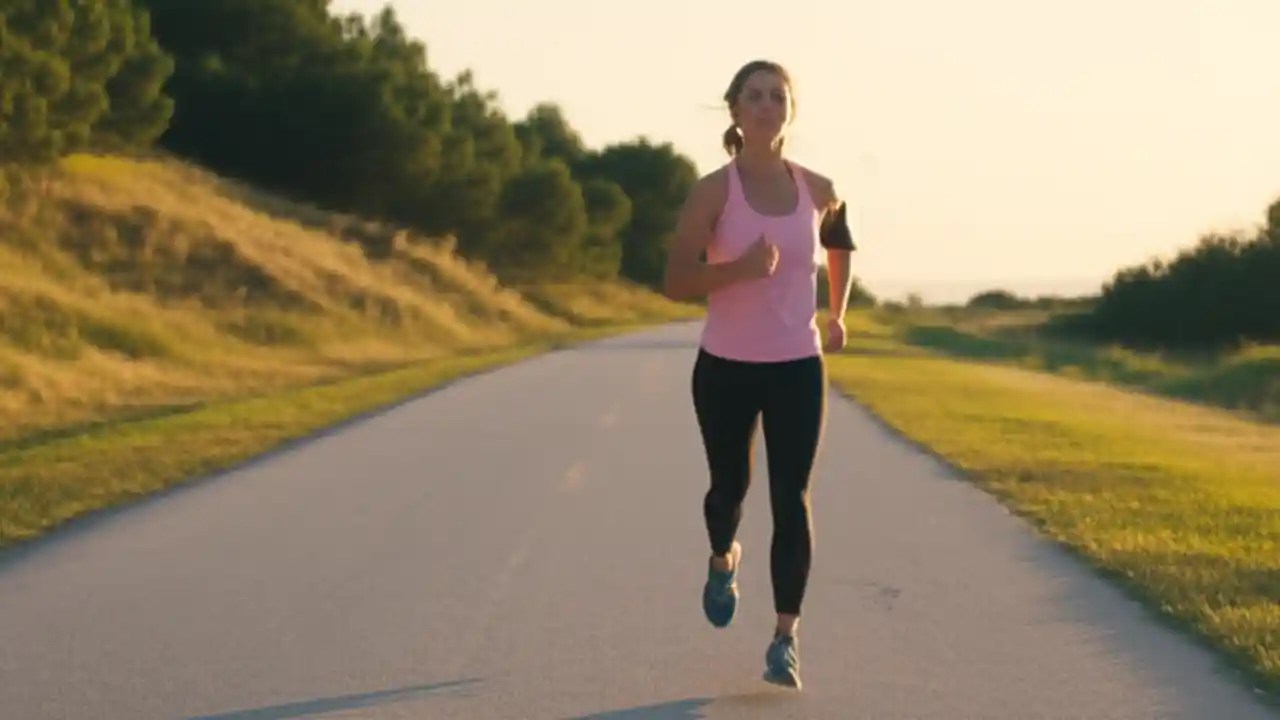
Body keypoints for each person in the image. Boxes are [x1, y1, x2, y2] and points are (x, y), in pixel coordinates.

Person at [662, 59, 857, 691]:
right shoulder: (713, 192)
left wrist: (837, 312)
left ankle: (784, 639)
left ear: (789, 111)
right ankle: (723, 558)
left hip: (798, 366)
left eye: (778, 96)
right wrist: (739, 269)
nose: (767, 105)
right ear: (736, 110)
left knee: (791, 499)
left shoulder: (820, 188)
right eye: (755, 95)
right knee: (728, 492)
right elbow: (676, 280)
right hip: (725, 368)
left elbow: (841, 245)